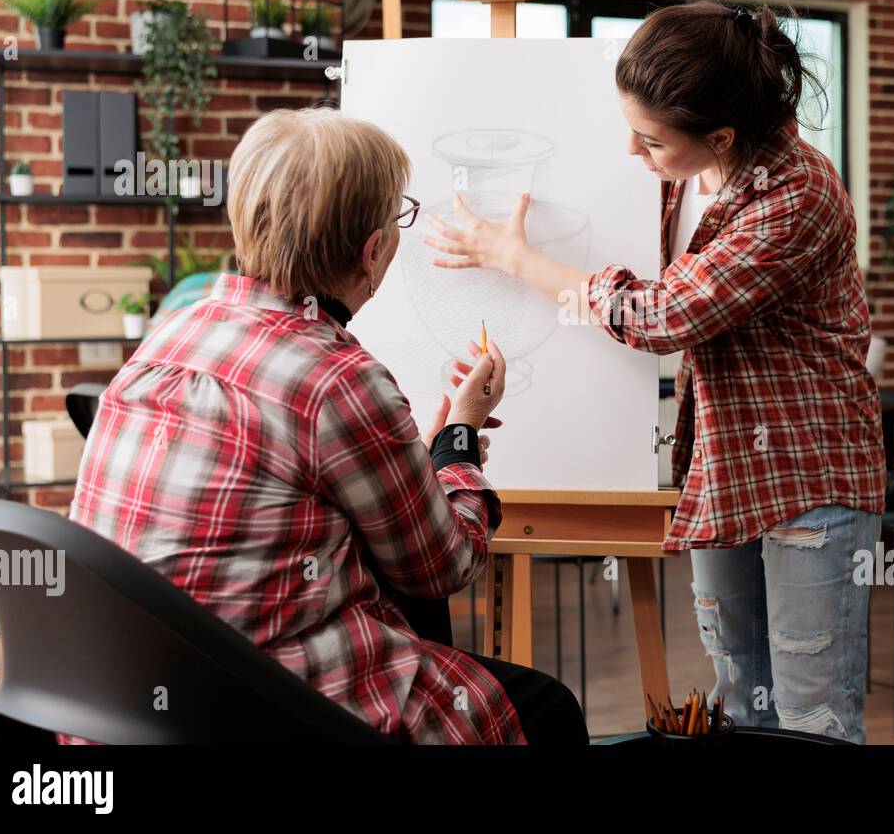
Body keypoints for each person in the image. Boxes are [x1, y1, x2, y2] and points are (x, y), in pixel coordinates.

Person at [422, 2, 885, 742]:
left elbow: (662, 317)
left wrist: (512, 256)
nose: (633, 153)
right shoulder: (677, 176)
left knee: (812, 718)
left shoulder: (798, 195)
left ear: (721, 136)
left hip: (808, 472)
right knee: (737, 699)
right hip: (724, 467)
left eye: (650, 140)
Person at [68, 108, 587, 745]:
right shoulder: (338, 378)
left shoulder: (175, 329)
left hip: (116, 708)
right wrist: (459, 443)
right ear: (372, 253)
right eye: (399, 221)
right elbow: (441, 567)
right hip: (252, 708)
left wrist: (407, 461)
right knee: (549, 710)